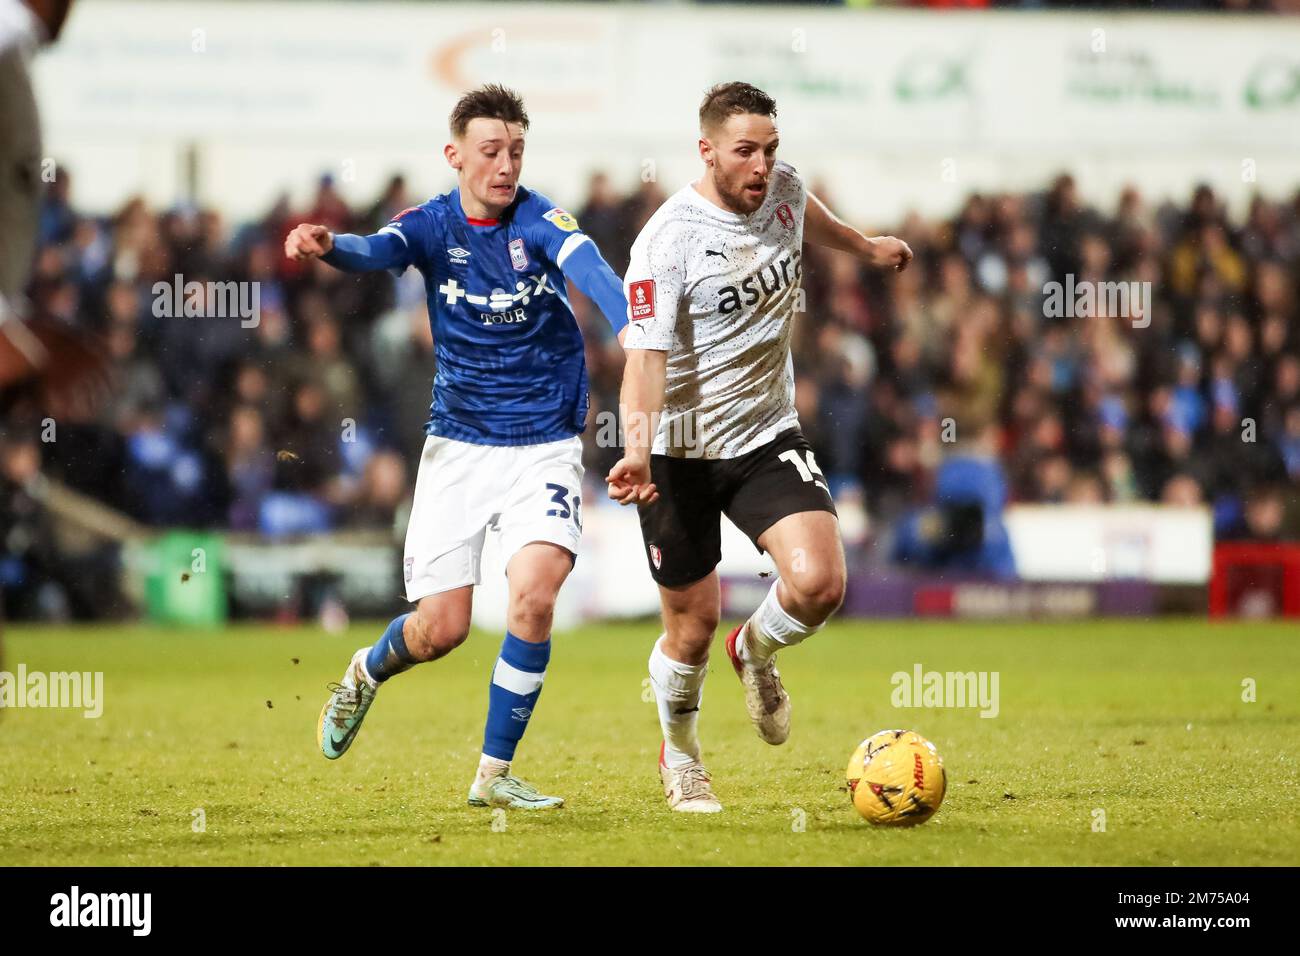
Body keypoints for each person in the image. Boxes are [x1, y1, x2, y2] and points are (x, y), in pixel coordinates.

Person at [285, 85, 629, 810]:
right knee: (442, 629)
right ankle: (365, 671)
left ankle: (492, 777)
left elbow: (589, 263)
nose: (505, 166)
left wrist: (630, 326)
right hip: (460, 447)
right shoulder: (433, 225)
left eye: (516, 151)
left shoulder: (540, 219)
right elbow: (380, 249)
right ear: (456, 156)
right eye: (490, 151)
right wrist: (330, 246)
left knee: (533, 599)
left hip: (543, 446)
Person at [607, 82, 912, 812]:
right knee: (690, 628)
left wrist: (865, 247)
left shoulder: (783, 189)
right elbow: (645, 360)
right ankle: (681, 757)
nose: (761, 165)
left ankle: (758, 650)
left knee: (819, 585)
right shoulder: (666, 242)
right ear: (706, 150)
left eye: (770, 149)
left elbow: (807, 213)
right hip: (678, 451)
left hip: (764, 434)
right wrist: (639, 451)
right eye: (745, 151)